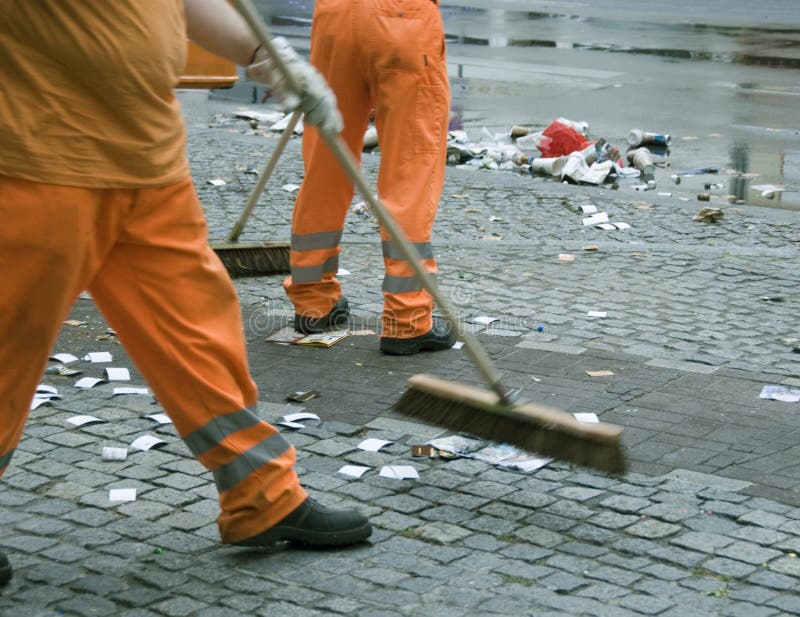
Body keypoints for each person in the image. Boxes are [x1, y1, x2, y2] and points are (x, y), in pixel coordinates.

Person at [0, 0, 371, 587]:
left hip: (148, 165)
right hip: (37, 163)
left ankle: (263, 496)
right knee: (6, 348)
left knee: (201, 333)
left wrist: (267, 60)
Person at [283, 0, 456, 356]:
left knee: (326, 164)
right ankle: (406, 320)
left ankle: (313, 303)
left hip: (335, 15)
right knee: (409, 173)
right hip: (402, 18)